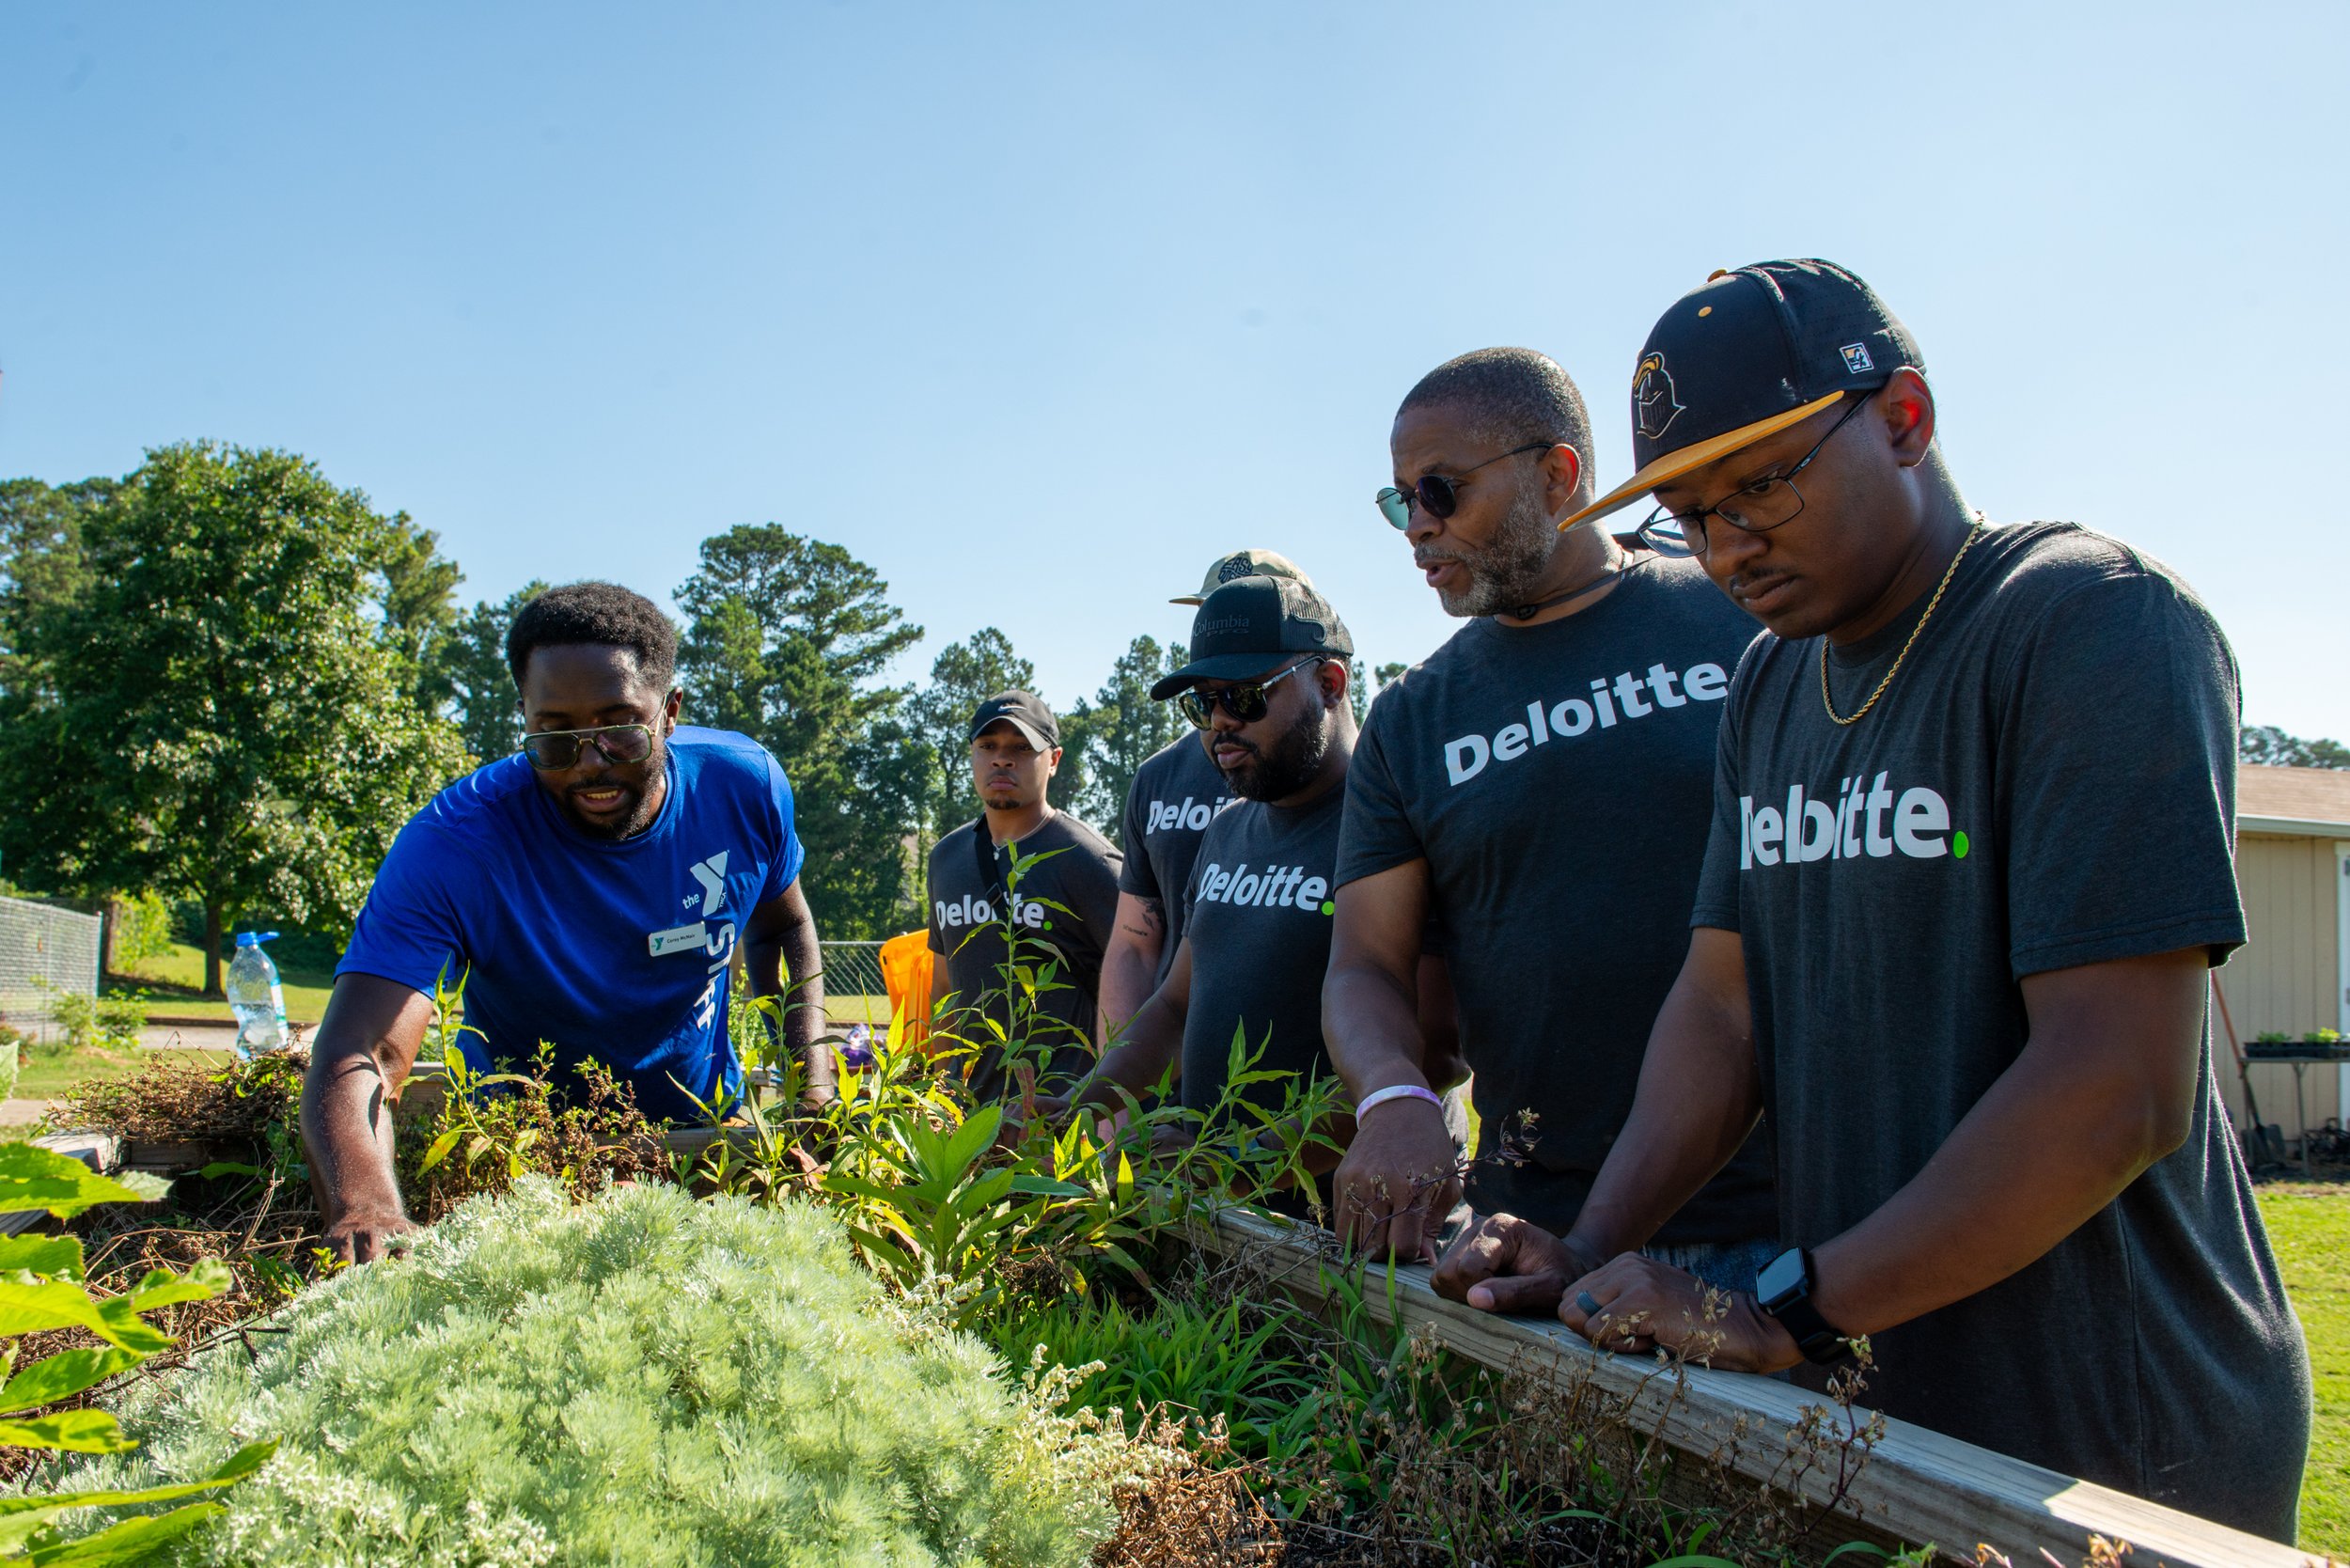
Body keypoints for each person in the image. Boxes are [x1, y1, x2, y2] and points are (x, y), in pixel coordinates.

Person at [1433, 259, 2311, 1537]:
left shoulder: (2085, 623)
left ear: (1904, 418)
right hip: (1885, 1393)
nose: (1730, 544)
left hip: (2117, 1428)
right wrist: (1584, 1238)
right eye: (1692, 509)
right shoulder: (1770, 689)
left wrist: (1782, 1305)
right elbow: (1723, 1015)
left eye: (1763, 483)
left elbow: (2117, 1083)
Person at [1324, 347, 1778, 1293]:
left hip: (1786, 1228)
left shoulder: (1741, 625)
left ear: (1558, 476)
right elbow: (1365, 966)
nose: (1415, 529)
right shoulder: (1413, 720)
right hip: (1536, 1247)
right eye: (1397, 498)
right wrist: (1395, 1096)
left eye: (1441, 492)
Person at [303, 582, 828, 1262]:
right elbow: (364, 1050)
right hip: (520, 1160)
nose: (591, 761)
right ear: (523, 715)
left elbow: (781, 927)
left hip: (708, 1142)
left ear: (670, 712)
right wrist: (366, 1207)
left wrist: (810, 1081)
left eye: (621, 728)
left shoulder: (743, 786)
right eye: (554, 738)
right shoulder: (458, 843)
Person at [1097, 549, 1316, 1037]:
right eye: (1211, 612)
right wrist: (1117, 1097)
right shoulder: (1159, 778)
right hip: (1179, 1078)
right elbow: (1135, 946)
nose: (1227, 629)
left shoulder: (1361, 774)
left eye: (1248, 612)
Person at [925, 691, 1122, 1100]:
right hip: (969, 1117)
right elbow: (944, 989)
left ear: (1053, 760)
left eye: (1021, 747)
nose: (1002, 759)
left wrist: (1098, 1106)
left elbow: (1141, 992)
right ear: (973, 756)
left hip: (1060, 1114)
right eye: (988, 746)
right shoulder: (946, 857)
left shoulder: (1088, 859)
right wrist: (936, 1094)